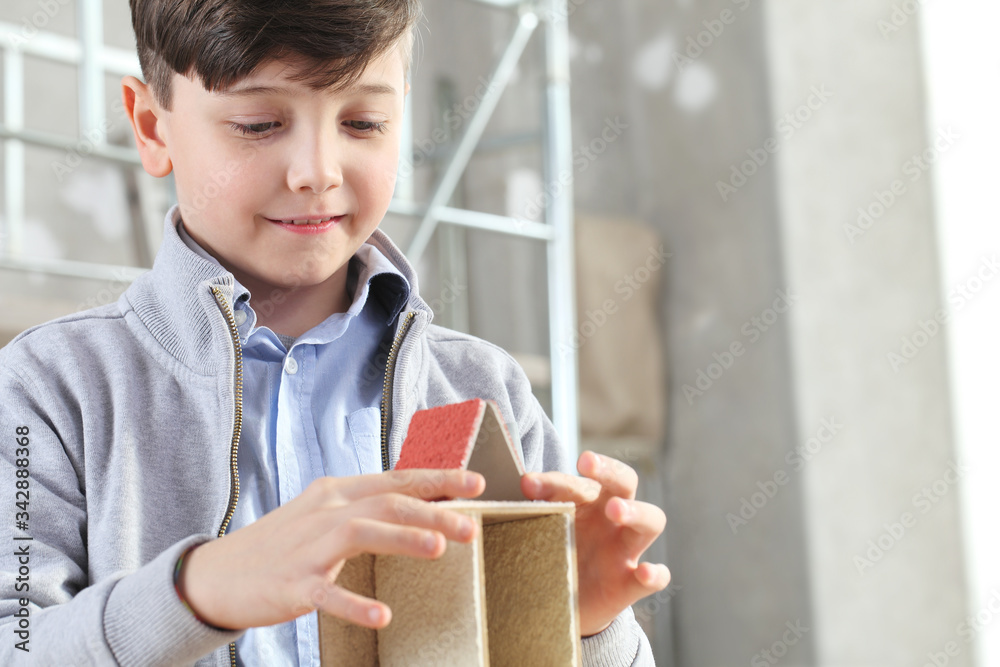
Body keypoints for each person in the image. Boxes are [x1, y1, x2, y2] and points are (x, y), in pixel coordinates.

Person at [0, 0, 670, 664]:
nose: (317, 171)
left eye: (364, 121)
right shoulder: (48, 388)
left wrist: (585, 624)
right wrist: (199, 590)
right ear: (152, 126)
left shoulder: (484, 388)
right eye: (259, 123)